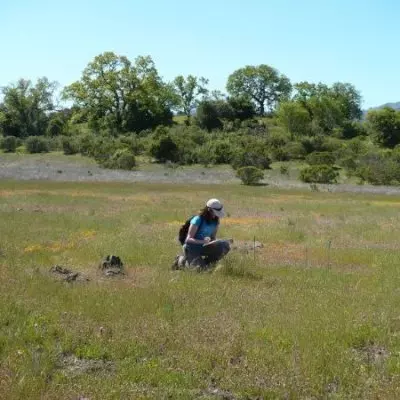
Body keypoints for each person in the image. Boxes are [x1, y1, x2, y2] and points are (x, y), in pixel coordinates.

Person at [173, 199, 231, 270]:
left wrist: (217, 241)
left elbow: (212, 237)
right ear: (209, 210)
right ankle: (180, 260)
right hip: (191, 248)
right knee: (199, 270)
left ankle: (206, 264)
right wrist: (203, 242)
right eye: (215, 212)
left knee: (224, 246)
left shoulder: (216, 221)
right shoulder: (198, 219)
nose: (216, 215)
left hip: (204, 247)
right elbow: (188, 239)